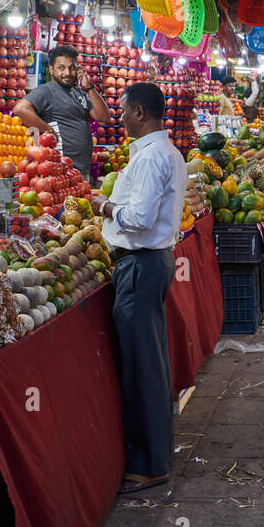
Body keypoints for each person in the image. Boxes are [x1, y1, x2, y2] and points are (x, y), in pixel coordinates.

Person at [92, 83, 187, 496]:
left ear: (141, 113)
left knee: (142, 366)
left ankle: (150, 465)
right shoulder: (167, 153)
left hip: (141, 265)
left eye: (125, 110)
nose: (120, 116)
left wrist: (105, 207)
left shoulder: (151, 158)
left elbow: (140, 218)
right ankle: (156, 454)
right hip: (150, 264)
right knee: (151, 360)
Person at [13, 44, 111, 178]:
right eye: (61, 68)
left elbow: (103, 116)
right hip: (59, 172)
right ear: (51, 70)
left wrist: (89, 87)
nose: (67, 73)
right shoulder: (46, 90)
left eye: (72, 68)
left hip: (80, 170)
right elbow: (20, 109)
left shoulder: (79, 94)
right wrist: (48, 130)